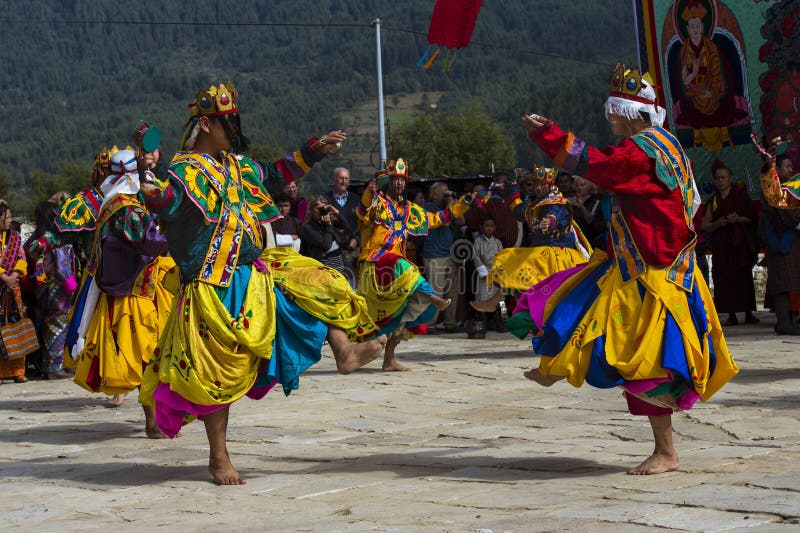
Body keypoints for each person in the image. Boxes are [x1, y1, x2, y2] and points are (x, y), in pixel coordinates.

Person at [138, 82, 386, 485]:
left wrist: (313, 150)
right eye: (226, 121)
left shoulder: (237, 165)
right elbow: (163, 201)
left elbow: (274, 174)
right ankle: (219, 457)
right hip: (210, 283)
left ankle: (344, 350)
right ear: (205, 125)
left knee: (321, 280)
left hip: (255, 270)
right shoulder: (182, 171)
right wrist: (147, 174)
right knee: (217, 374)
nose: (234, 128)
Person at [511, 63, 738, 475]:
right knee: (588, 309)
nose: (609, 116)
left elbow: (596, 165)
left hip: (653, 274)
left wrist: (547, 136)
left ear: (633, 113)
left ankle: (665, 451)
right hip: (660, 266)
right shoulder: (667, 146)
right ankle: (559, 363)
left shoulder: (640, 152)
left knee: (644, 359)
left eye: (615, 110)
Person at [64, 149, 179, 432]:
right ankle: (153, 421)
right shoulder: (125, 209)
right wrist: (181, 226)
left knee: (153, 357)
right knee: (149, 357)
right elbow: (151, 239)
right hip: (134, 296)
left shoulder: (113, 204)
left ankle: (157, 417)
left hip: (137, 291)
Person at [357, 158, 474, 371]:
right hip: (376, 262)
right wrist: (368, 191)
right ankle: (432, 295)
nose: (398, 184)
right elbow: (361, 212)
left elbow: (436, 219)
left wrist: (461, 205)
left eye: (402, 180)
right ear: (388, 182)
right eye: (394, 180)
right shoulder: (378, 203)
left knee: (404, 312)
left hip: (394, 268)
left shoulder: (410, 209)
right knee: (407, 267)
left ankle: (389, 360)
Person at [470, 166, 591, 314]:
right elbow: (518, 211)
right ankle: (495, 301)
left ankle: (497, 303)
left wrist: (549, 222)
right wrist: (513, 184)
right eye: (536, 185)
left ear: (549, 186)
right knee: (511, 264)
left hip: (557, 256)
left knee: (555, 297)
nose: (538, 188)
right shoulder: (534, 204)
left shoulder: (557, 202)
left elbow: (555, 215)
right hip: (542, 254)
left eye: (542, 185)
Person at [24, 201, 78, 380]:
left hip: (41, 289)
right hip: (58, 290)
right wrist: (72, 286)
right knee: (58, 326)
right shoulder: (54, 239)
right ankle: (54, 368)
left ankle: (49, 364)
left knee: (47, 326)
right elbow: (63, 268)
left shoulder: (33, 240)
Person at [701, 160, 759, 326]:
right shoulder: (713, 200)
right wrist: (718, 223)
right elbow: (706, 225)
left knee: (743, 277)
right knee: (724, 278)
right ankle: (731, 314)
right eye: (717, 178)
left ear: (730, 178)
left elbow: (753, 217)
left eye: (723, 177)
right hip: (722, 246)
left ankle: (748, 313)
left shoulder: (741, 196)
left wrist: (738, 218)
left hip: (739, 244)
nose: (720, 181)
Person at [757, 146, 800, 334]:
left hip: (788, 239)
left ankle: (787, 321)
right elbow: (786, 212)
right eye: (787, 167)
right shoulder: (775, 187)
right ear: (778, 170)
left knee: (786, 281)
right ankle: (783, 323)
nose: (791, 170)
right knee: (782, 282)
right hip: (781, 238)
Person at [54, 147, 112, 273]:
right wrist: (42, 243)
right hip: (94, 274)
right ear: (101, 171)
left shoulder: (127, 199)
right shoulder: (80, 203)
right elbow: (56, 237)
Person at [422, 182, 461, 333]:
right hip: (435, 255)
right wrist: (450, 204)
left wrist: (456, 206)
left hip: (449, 254)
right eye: (444, 194)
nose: (447, 196)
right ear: (434, 194)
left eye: (448, 193)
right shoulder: (429, 207)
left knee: (452, 290)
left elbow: (461, 220)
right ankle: (429, 324)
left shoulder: (448, 208)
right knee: (435, 291)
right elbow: (445, 222)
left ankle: (450, 322)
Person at [0, 203, 29, 384]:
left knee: (17, 327)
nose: (9, 221)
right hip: (2, 286)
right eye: (6, 218)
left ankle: (18, 371)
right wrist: (4, 277)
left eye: (10, 217)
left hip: (13, 291)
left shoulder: (16, 238)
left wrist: (14, 275)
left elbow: (22, 259)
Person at [322, 167, 359, 284]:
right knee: (334, 280)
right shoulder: (325, 199)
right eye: (340, 178)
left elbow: (362, 223)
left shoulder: (356, 200)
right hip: (332, 246)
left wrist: (357, 240)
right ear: (334, 180)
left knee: (353, 278)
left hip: (352, 246)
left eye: (346, 178)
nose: (343, 181)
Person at [300, 196, 352, 274]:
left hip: (338, 267)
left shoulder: (328, 221)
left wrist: (335, 211)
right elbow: (326, 245)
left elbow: (346, 226)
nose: (323, 211)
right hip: (322, 270)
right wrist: (328, 226)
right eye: (320, 209)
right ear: (311, 210)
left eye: (324, 208)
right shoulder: (307, 227)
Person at [472, 215, 503, 331]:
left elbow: (501, 258)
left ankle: (500, 323)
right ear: (482, 227)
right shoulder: (478, 242)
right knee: (482, 298)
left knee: (498, 299)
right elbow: (476, 258)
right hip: (483, 274)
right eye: (487, 226)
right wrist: (484, 273)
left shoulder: (498, 242)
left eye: (491, 226)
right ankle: (481, 324)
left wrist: (497, 272)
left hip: (496, 273)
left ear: (494, 228)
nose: (489, 228)